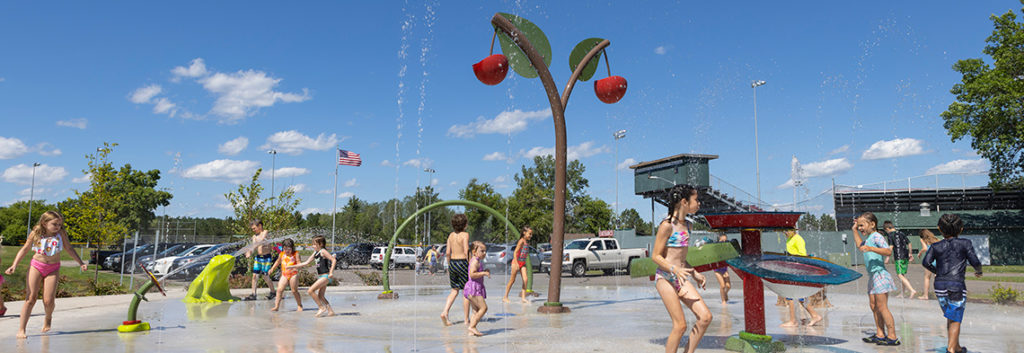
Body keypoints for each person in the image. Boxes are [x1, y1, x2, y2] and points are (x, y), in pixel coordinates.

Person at [5, 211, 88, 339]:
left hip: (53, 268)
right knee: (30, 298)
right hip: (36, 266)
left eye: (60, 224)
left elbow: (69, 248)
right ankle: (21, 329)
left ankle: (48, 318)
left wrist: (81, 262)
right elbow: (25, 249)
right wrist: (14, 265)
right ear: (44, 223)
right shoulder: (36, 233)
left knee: (48, 301)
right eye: (54, 224)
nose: (58, 227)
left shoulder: (61, 234)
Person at [651, 184, 712, 353]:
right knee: (680, 326)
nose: (699, 203)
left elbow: (681, 259)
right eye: (696, 199)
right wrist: (674, 269)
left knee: (705, 317)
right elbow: (656, 256)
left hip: (681, 277)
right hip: (665, 278)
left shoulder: (688, 226)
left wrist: (695, 272)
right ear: (684, 202)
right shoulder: (667, 225)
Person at [922, 214, 983, 353]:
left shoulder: (936, 246)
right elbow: (975, 261)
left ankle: (957, 347)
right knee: (955, 319)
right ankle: (951, 349)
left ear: (939, 229)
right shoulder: (965, 243)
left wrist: (937, 270)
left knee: (951, 316)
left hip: (940, 286)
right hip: (956, 286)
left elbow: (926, 262)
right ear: (961, 229)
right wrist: (979, 271)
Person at [852, 212, 900, 346]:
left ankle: (892, 336)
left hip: (880, 275)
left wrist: (871, 248)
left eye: (862, 225)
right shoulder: (869, 239)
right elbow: (860, 246)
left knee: (882, 307)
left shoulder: (877, 236)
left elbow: (888, 251)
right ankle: (880, 334)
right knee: (874, 306)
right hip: (872, 276)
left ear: (872, 224)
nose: (860, 228)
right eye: (859, 225)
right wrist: (854, 230)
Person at [780, 228, 823, 327]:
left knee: (793, 294)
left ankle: (794, 321)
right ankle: (814, 315)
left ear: (794, 230)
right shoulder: (789, 239)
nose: (786, 232)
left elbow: (803, 256)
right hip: (792, 268)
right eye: (784, 231)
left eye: (788, 230)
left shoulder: (798, 239)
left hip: (798, 269)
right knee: (797, 295)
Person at [294, 236, 336, 317]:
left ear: (320, 244)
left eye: (314, 244)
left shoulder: (323, 251)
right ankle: (330, 311)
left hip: (326, 276)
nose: (312, 246)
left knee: (310, 291)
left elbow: (333, 260)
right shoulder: (315, 253)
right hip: (321, 277)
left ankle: (321, 307)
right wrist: (293, 267)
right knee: (320, 296)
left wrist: (331, 272)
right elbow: (306, 263)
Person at [440, 214, 470, 326]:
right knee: (465, 291)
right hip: (462, 262)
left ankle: (445, 312)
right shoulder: (465, 235)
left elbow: (447, 252)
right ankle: (466, 319)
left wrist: (449, 265)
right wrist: (470, 264)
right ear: (465, 225)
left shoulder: (451, 236)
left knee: (454, 290)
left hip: (452, 262)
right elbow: (466, 250)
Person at [883, 221, 917, 298]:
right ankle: (902, 293)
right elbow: (909, 243)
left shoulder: (890, 235)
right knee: (902, 274)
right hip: (905, 256)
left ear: (887, 228)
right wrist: (910, 253)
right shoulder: (901, 233)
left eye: (886, 230)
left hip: (898, 257)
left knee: (900, 275)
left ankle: (912, 290)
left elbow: (890, 247)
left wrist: (888, 257)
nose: (886, 232)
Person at [464, 241, 491, 337]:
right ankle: (472, 326)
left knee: (475, 310)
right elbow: (472, 274)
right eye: (482, 251)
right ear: (474, 252)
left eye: (485, 251)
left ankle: (471, 331)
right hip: (474, 288)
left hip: (474, 288)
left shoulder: (477, 260)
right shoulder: (475, 261)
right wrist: (483, 273)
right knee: (484, 308)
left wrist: (484, 271)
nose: (484, 253)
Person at [269, 239, 304, 312]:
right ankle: (276, 306)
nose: (287, 251)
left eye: (289, 249)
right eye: (285, 249)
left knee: (294, 290)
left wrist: (297, 266)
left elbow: (299, 263)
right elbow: (277, 262)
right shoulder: (281, 254)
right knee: (279, 290)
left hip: (293, 274)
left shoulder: (295, 254)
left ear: (292, 248)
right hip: (284, 274)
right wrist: (272, 269)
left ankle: (299, 305)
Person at [245, 219, 276, 301]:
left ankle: (273, 292)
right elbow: (253, 246)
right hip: (258, 258)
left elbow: (261, 240)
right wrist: (250, 251)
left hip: (267, 258)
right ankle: (253, 294)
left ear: (260, 226)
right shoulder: (254, 237)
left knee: (265, 276)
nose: (253, 230)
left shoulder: (265, 232)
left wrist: (252, 247)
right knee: (255, 276)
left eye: (254, 228)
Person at [502, 226, 533, 303]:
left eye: (531, 234)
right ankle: (505, 296)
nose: (531, 235)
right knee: (512, 280)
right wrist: (516, 263)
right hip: (516, 262)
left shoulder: (526, 242)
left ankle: (523, 298)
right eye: (529, 234)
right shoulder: (521, 241)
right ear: (524, 233)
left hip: (522, 263)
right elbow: (515, 252)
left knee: (525, 280)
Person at [917, 229, 941, 300]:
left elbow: (925, 248)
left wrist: (920, 252)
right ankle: (940, 294)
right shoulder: (936, 239)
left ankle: (925, 295)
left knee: (927, 278)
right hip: (938, 260)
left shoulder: (922, 240)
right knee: (937, 277)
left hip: (930, 260)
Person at [711, 233, 732, 305]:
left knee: (728, 286)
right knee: (723, 285)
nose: (724, 242)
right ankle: (723, 300)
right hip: (717, 269)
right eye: (722, 241)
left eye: (725, 241)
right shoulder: (716, 248)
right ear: (718, 241)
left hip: (724, 269)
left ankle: (725, 294)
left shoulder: (727, 249)